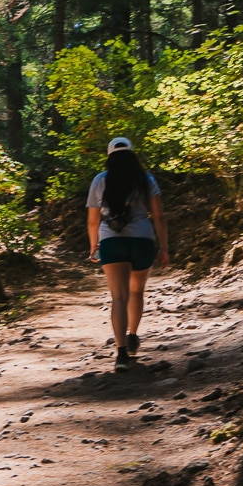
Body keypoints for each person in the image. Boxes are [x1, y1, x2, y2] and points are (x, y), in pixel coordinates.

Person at [87, 136, 168, 368]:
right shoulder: (146, 180)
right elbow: (159, 216)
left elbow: (93, 220)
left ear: (109, 156)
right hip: (142, 239)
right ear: (132, 154)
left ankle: (121, 353)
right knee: (136, 291)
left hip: (112, 241)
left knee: (119, 297)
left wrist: (94, 245)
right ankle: (133, 335)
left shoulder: (100, 180)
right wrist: (164, 247)